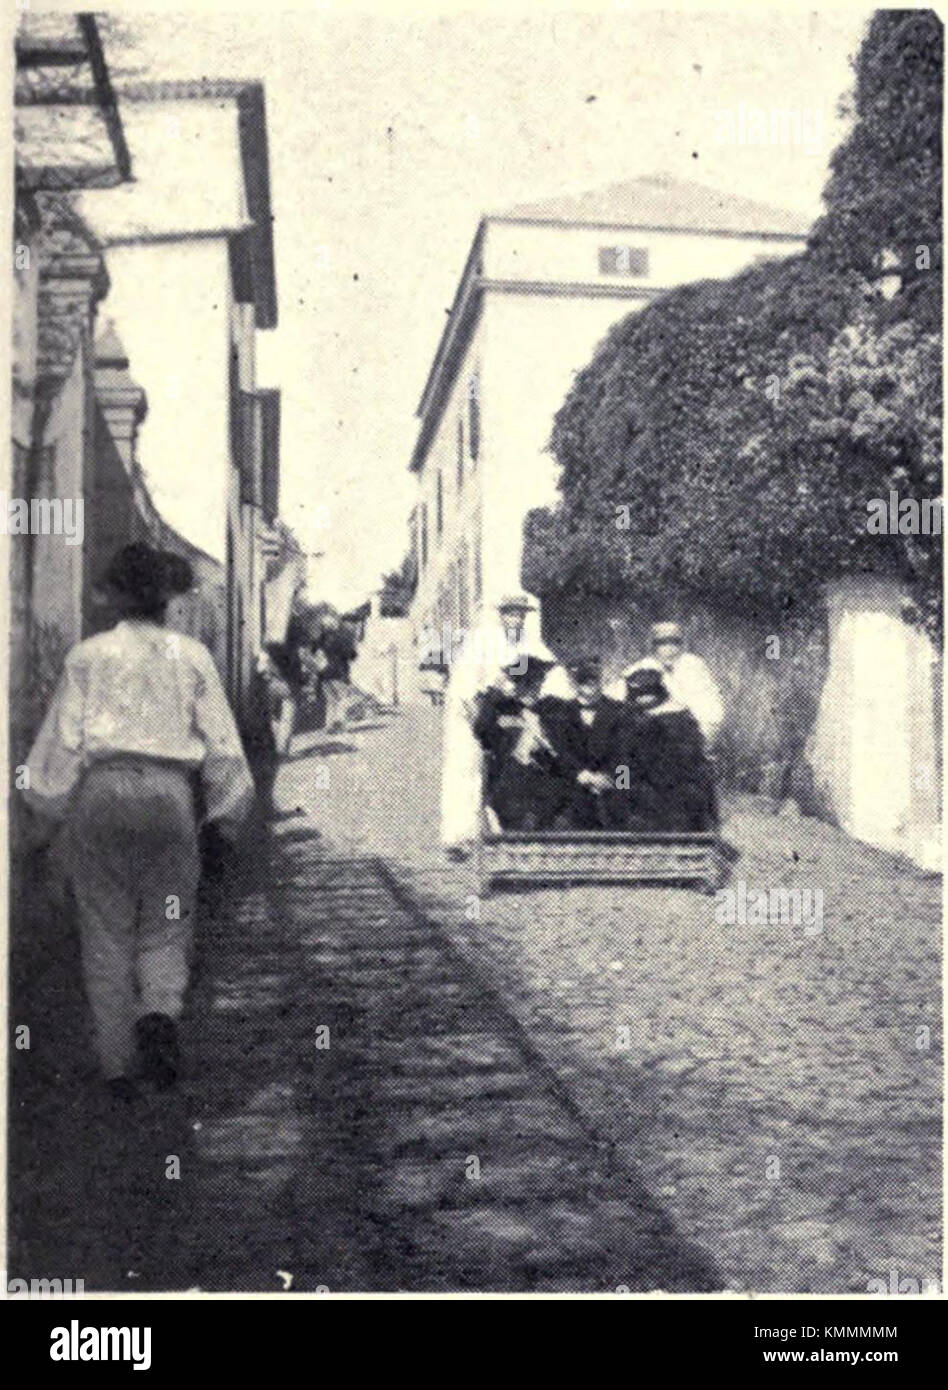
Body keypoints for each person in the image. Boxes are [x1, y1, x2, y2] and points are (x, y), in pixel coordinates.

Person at [20, 542, 255, 1100]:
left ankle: (118, 1066)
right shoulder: (192, 656)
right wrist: (224, 819)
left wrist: (41, 824)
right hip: (169, 797)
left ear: (117, 597)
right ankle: (160, 1014)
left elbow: (60, 748)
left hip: (102, 796)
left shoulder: (87, 657)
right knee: (167, 921)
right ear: (167, 600)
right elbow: (223, 746)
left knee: (104, 930)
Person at [438, 592, 557, 856]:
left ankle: (514, 826)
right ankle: (459, 836)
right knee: (466, 766)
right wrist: (477, 714)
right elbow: (465, 683)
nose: (515, 618)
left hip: (510, 713)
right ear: (501, 615)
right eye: (510, 613)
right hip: (477, 710)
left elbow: (549, 671)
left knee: (522, 762)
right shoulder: (482, 642)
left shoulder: (529, 643)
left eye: (520, 614)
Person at [616, 659, 719, 831]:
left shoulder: (680, 717)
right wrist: (622, 789)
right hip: (639, 786)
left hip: (675, 785)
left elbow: (691, 759)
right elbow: (621, 760)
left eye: (648, 693)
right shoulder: (625, 718)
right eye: (639, 695)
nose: (644, 699)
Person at [471, 652, 571, 830]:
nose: (531, 688)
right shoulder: (502, 710)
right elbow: (481, 730)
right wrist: (495, 692)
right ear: (515, 684)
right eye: (523, 682)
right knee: (524, 819)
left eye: (536, 682)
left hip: (546, 783)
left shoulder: (551, 709)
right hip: (510, 787)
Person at [541, 655, 626, 828]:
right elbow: (560, 751)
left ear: (600, 679)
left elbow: (625, 751)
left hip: (613, 786)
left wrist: (613, 779)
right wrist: (581, 775)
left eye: (593, 679)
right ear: (573, 682)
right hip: (574, 788)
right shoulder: (560, 713)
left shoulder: (620, 710)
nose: (588, 685)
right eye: (582, 680)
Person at [648, 621, 724, 745]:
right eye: (662, 643)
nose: (669, 649)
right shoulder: (645, 666)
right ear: (654, 646)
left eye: (674, 642)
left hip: (693, 731)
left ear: (681, 645)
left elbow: (711, 711)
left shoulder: (693, 664)